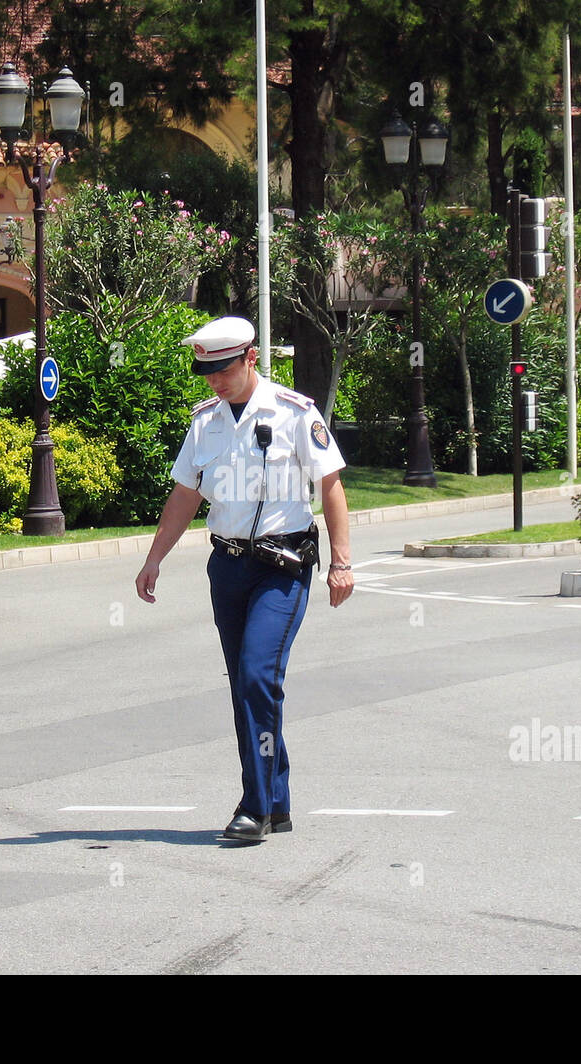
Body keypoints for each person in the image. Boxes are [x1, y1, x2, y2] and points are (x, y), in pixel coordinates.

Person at [134, 317, 354, 842]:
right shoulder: (205, 421)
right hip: (228, 565)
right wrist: (154, 557)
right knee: (246, 686)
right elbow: (186, 494)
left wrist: (342, 562)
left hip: (283, 566)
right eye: (206, 370)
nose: (214, 380)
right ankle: (276, 799)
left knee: (257, 675)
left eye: (224, 369)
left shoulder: (295, 413)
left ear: (250, 358)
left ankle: (254, 806)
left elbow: (331, 485)